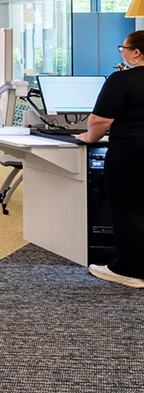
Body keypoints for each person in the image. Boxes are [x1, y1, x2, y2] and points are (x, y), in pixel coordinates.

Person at [77, 32, 144, 288]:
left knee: (129, 208)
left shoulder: (122, 79)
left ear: (136, 52)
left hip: (132, 150)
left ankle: (129, 270)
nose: (122, 52)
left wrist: (88, 137)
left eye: (123, 48)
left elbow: (100, 120)